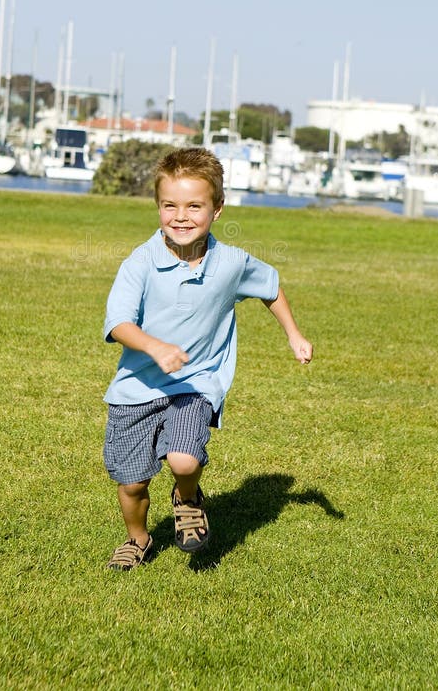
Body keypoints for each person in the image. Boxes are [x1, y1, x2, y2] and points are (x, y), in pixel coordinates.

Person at [103, 147, 313, 570]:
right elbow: (118, 324)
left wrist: (294, 335)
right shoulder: (140, 263)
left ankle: (187, 497)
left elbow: (270, 288)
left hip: (196, 383)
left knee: (184, 459)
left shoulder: (231, 263)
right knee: (132, 485)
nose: (181, 216)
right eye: (170, 206)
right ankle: (138, 539)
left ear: (217, 209)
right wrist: (155, 347)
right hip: (135, 388)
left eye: (194, 206)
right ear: (158, 207)